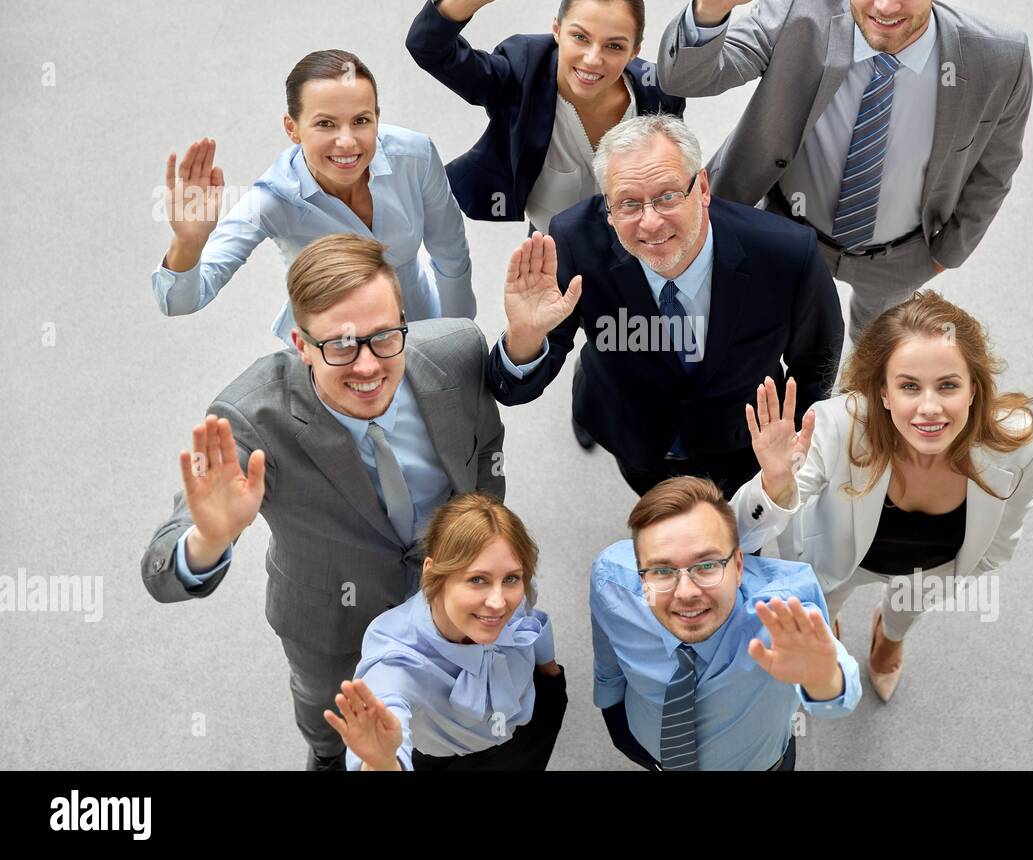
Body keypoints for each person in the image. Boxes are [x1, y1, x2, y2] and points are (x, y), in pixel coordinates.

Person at [142, 234, 505, 769]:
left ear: (405, 320)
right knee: (327, 719)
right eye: (339, 344)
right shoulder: (250, 416)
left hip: (447, 593)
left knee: (452, 697)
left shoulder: (459, 351)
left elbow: (487, 449)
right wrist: (208, 538)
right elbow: (158, 570)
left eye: (384, 337)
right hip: (330, 621)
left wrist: (482, 550)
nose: (366, 366)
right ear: (300, 344)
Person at [657, 0, 1033, 342]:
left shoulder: (1000, 59)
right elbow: (689, 77)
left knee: (874, 368)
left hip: (899, 256)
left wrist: (944, 255)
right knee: (753, 341)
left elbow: (995, 169)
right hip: (781, 226)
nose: (886, 5)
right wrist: (712, 6)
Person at [405, 0, 686, 451]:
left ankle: (598, 394)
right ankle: (587, 405)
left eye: (614, 46)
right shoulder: (522, 72)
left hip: (636, 245)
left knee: (621, 343)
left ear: (635, 50)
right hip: (551, 249)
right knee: (550, 342)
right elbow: (430, 49)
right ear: (557, 30)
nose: (592, 59)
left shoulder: (656, 97)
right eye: (579, 37)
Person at [486, 114, 843, 498]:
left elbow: (816, 362)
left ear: (702, 188)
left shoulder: (788, 254)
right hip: (630, 433)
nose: (651, 223)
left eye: (668, 196)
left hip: (740, 445)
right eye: (628, 204)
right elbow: (512, 389)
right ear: (608, 209)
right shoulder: (573, 239)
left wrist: (789, 441)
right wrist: (524, 336)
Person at [733, 289, 1033, 702]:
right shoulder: (835, 426)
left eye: (948, 385)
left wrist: (961, 573)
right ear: (882, 393)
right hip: (837, 558)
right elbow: (738, 533)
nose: (929, 407)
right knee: (822, 614)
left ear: (973, 388)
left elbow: (1002, 537)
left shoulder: (1020, 444)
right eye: (909, 386)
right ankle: (832, 629)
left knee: (905, 613)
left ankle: (889, 639)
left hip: (933, 567)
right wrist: (773, 484)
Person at [153, 50, 475, 345]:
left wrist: (456, 337)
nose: (347, 142)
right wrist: (189, 244)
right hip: (330, 355)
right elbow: (179, 302)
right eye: (325, 124)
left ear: (377, 117)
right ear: (292, 128)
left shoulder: (415, 156)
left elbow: (451, 254)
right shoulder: (272, 198)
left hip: (418, 330)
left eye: (361, 120)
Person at [590, 476, 861, 770]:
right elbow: (609, 658)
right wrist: (612, 713)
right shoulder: (611, 581)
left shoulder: (780, 615)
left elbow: (839, 690)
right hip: (646, 746)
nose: (687, 593)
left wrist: (823, 679)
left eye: (707, 565)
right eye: (662, 570)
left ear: (738, 566)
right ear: (642, 577)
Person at [325, 493, 566, 771]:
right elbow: (386, 703)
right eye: (477, 580)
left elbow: (530, 618)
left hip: (531, 721)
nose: (499, 602)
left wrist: (550, 674)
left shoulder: (516, 583)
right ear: (431, 574)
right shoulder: (396, 657)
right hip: (457, 762)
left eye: (511, 578)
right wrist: (381, 763)